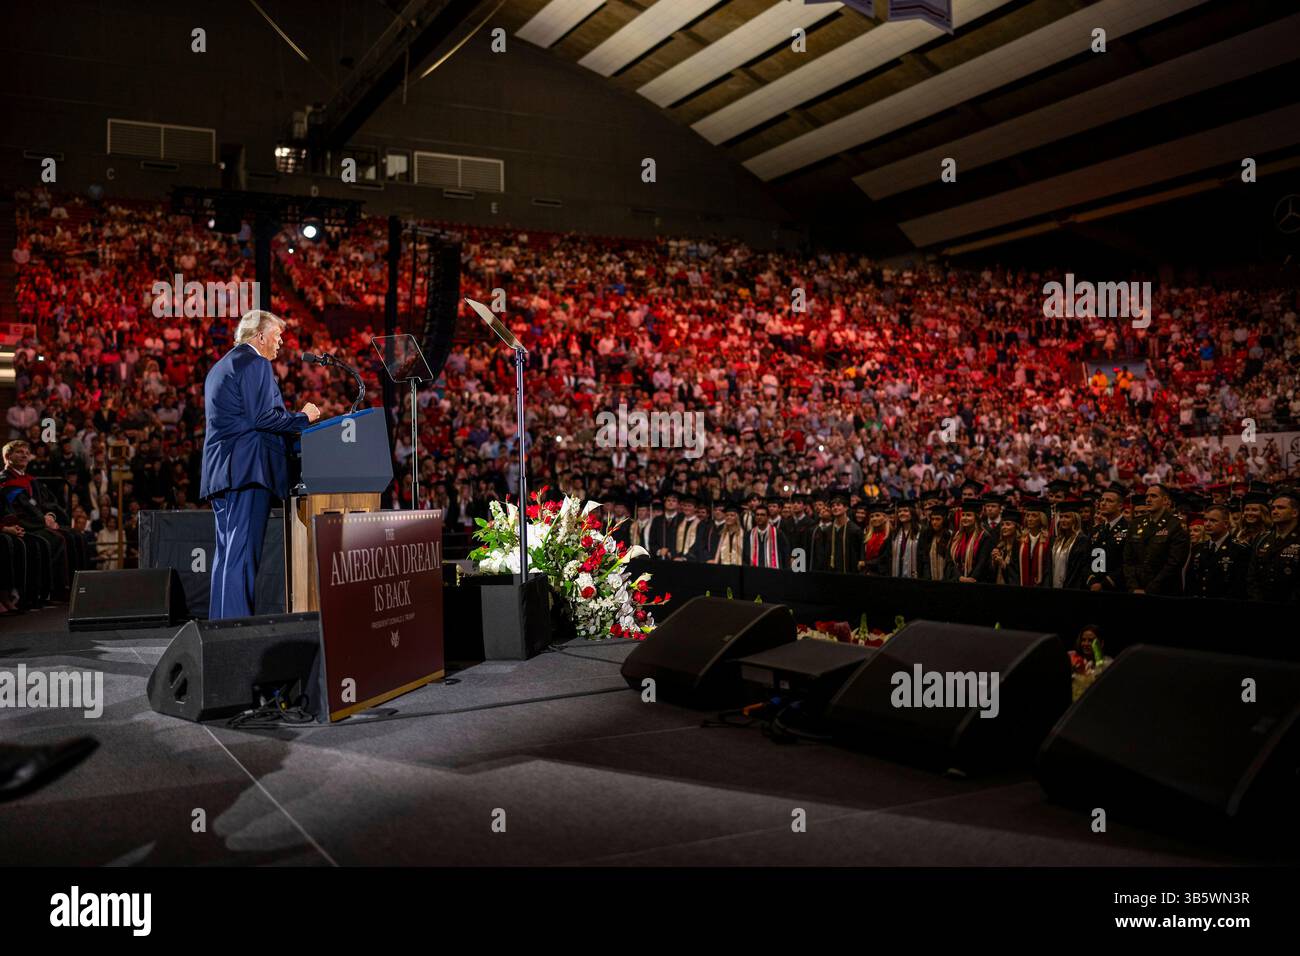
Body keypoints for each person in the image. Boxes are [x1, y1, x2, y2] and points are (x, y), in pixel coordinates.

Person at [200, 311, 320, 619]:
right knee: (241, 557)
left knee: (227, 554)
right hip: (248, 471)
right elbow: (262, 418)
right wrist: (303, 418)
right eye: (277, 335)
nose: (280, 342)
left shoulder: (220, 367)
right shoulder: (255, 363)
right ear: (260, 336)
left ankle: (220, 624)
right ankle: (237, 630)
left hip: (223, 472)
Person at [1122, 483, 1190, 596]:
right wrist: (1133, 587)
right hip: (1136, 590)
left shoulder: (1176, 525)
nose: (1148, 499)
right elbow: (1127, 560)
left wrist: (1150, 590)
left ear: (1165, 500)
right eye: (1147, 496)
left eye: (1153, 496)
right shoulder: (1136, 524)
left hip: (1164, 592)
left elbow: (1174, 563)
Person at [1186, 505, 1249, 600]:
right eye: (1206, 520)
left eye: (1213, 521)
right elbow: (1190, 579)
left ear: (1226, 524)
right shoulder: (1198, 547)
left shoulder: (1239, 549)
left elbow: (1240, 584)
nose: (1207, 524)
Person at [1247, 492, 1300, 603]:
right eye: (1273, 508)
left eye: (1281, 508)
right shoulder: (1262, 539)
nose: (1275, 511)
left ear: (1295, 513)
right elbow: (1252, 576)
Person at [1087, 483, 1129, 592]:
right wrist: (1092, 580)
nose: (1103, 503)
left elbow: (1129, 562)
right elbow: (1088, 558)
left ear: (1120, 506)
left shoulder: (1129, 528)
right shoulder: (1096, 529)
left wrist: (1105, 583)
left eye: (1109, 501)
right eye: (1102, 500)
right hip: (1094, 586)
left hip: (1117, 588)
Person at [811, 494, 862, 573]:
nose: (835, 508)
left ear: (846, 508)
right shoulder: (827, 531)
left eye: (838, 505)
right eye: (833, 506)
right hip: (830, 573)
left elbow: (859, 554)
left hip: (850, 573)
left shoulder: (855, 530)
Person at [1049, 502, 1091, 589]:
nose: (1063, 520)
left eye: (1067, 517)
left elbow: (1079, 570)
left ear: (1075, 519)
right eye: (1061, 517)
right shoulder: (1057, 540)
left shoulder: (1082, 540)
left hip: (1073, 587)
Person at [947, 508, 993, 583]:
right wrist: (959, 577)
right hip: (956, 580)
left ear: (976, 518)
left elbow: (982, 562)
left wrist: (970, 579)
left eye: (968, 515)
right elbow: (950, 560)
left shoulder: (984, 537)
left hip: (976, 581)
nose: (965, 518)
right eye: (963, 515)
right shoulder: (956, 536)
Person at [744, 505, 789, 569]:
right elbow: (745, 556)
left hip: (774, 573)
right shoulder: (749, 535)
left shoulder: (778, 534)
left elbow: (785, 554)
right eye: (757, 515)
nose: (759, 517)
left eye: (762, 515)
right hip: (753, 573)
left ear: (768, 517)